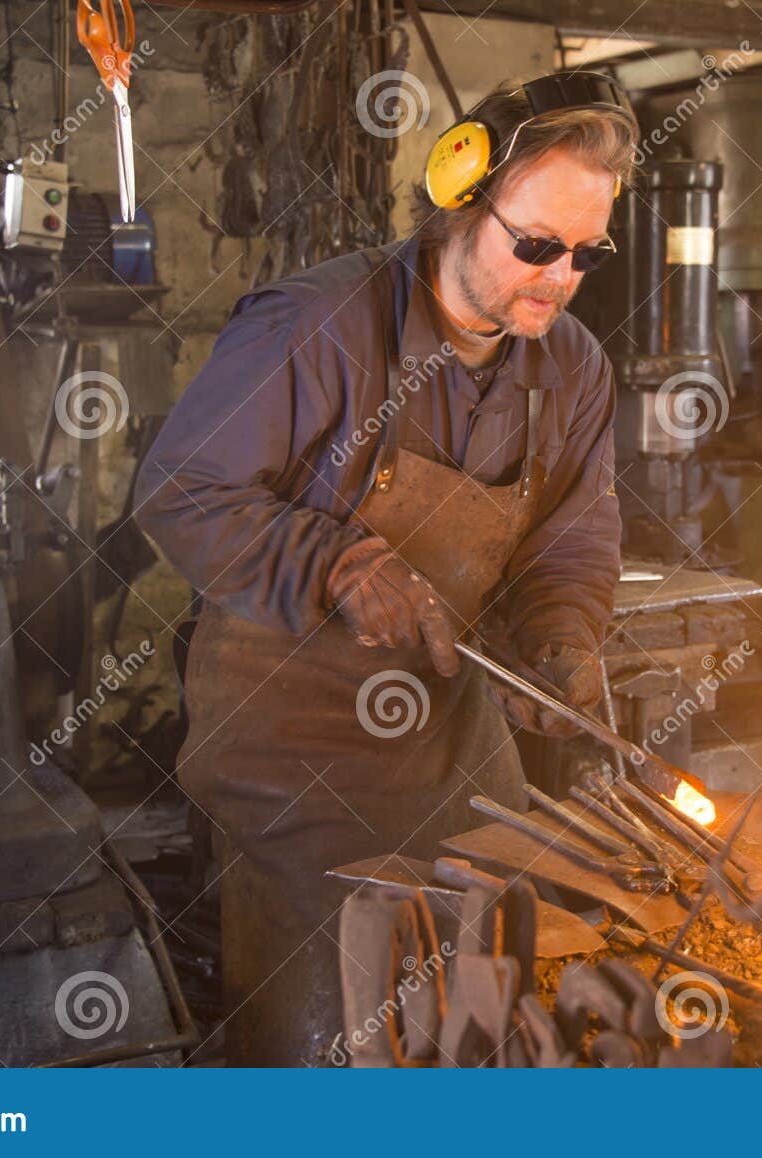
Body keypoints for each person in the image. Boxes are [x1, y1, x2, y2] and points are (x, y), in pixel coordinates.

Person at [133, 71, 638, 1064]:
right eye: (535, 245)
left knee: (496, 1000)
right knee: (345, 1034)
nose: (560, 276)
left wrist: (560, 640)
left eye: (586, 253)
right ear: (460, 195)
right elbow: (180, 494)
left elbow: (572, 540)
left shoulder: (571, 367)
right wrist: (340, 564)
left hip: (455, 745)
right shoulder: (318, 327)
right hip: (290, 757)